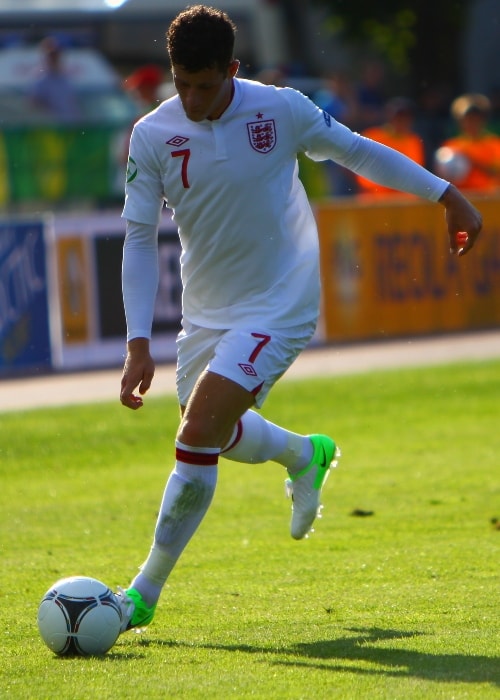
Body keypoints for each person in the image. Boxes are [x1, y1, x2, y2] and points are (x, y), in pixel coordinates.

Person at [115, 5, 482, 633]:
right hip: (207, 310)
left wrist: (445, 195)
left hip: (279, 301)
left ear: (232, 69)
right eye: (183, 84)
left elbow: (356, 152)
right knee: (210, 428)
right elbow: (139, 238)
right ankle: (303, 454)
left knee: (200, 427)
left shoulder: (280, 109)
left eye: (207, 83)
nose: (195, 98)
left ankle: (141, 593)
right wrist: (137, 341)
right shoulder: (152, 134)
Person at [356, 97, 425, 196]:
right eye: (398, 117)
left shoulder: (413, 141)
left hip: (404, 201)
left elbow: (415, 173)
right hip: (374, 199)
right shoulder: (372, 136)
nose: (402, 121)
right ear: (390, 117)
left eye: (406, 117)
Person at [434, 93, 500, 192]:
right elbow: (442, 178)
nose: (472, 123)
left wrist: (471, 160)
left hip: (488, 198)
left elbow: (496, 172)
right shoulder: (450, 146)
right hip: (461, 198)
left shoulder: (494, 143)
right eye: (468, 119)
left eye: (476, 119)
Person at [30, 37, 80, 123]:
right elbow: (32, 104)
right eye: (51, 57)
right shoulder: (41, 81)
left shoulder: (65, 79)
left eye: (56, 56)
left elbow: (72, 103)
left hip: (70, 125)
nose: (55, 59)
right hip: (51, 127)